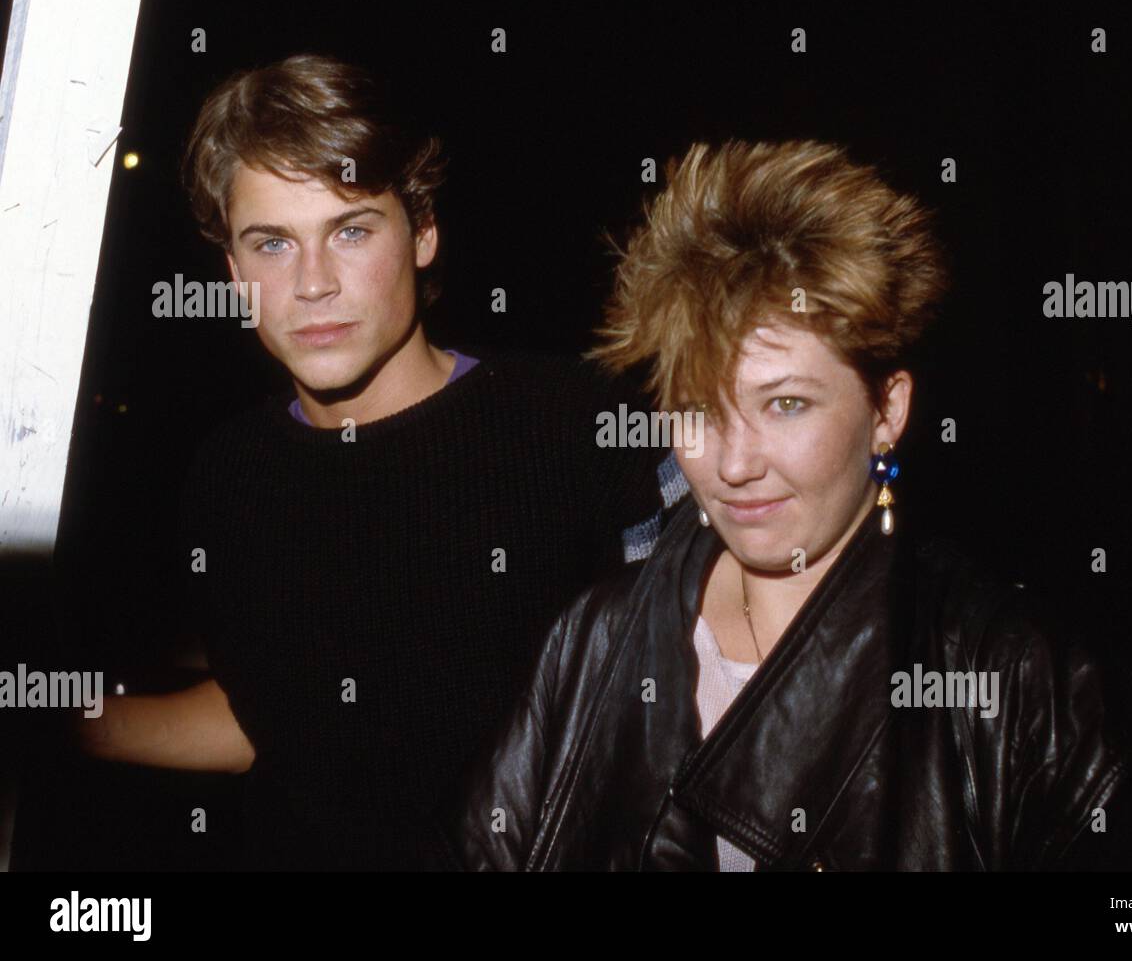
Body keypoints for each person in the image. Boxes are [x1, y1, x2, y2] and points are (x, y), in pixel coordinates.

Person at [431, 139, 1132, 871]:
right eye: (697, 412)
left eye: (785, 404)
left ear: (887, 408)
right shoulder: (591, 642)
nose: (736, 464)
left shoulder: (1021, 685)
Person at [76, 54, 685, 870]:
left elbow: (715, 690)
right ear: (231, 270)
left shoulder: (579, 425)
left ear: (424, 232)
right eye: (271, 243)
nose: (313, 283)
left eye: (351, 229)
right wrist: (52, 714)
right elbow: (271, 720)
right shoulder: (230, 476)